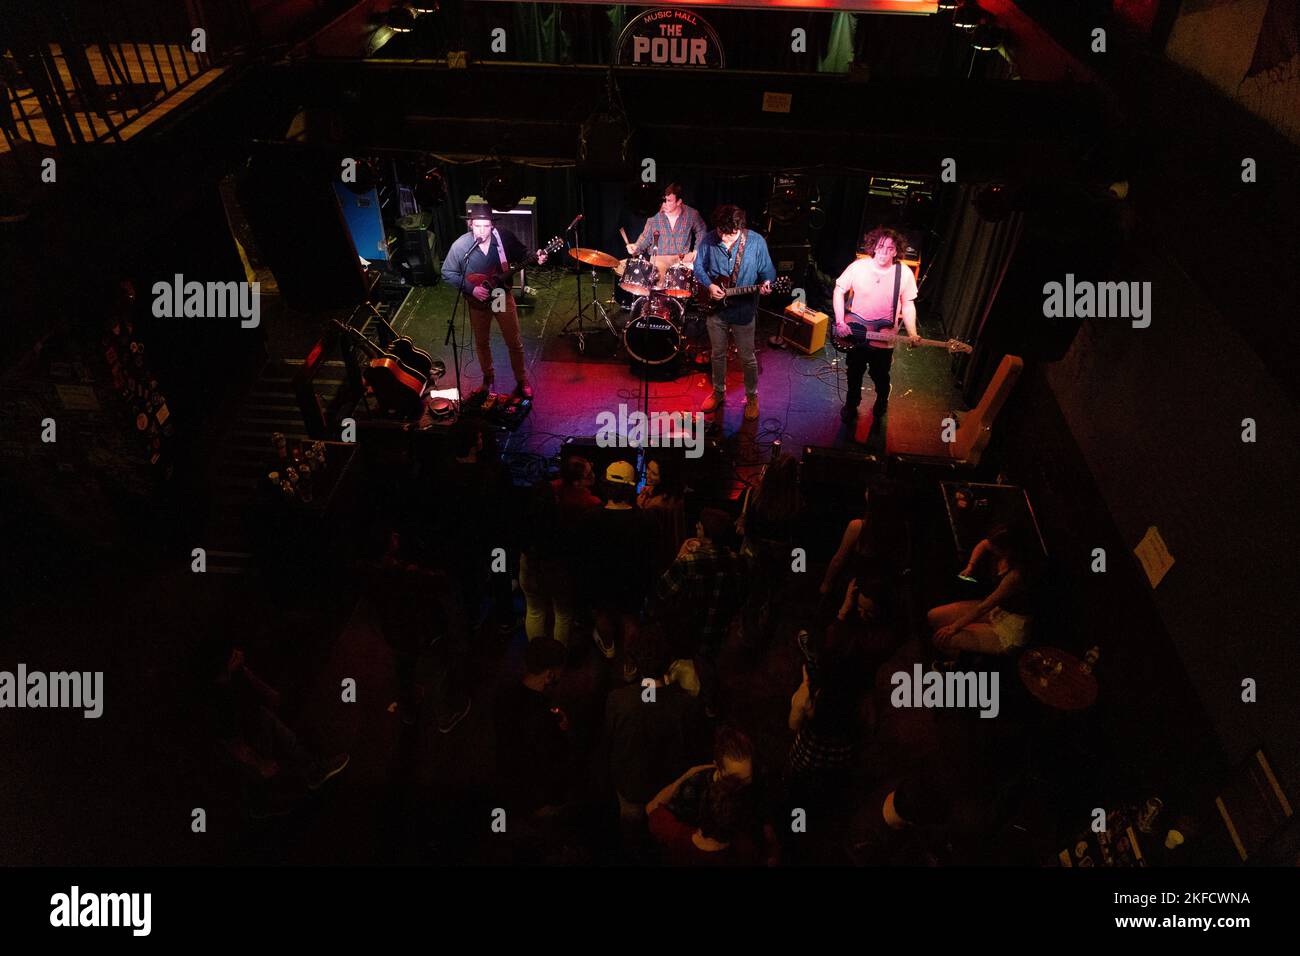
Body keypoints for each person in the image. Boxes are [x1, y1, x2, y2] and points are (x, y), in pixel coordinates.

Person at [205, 642, 349, 816]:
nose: (239, 652)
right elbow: (233, 744)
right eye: (233, 655)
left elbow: (262, 688)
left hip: (254, 720)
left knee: (279, 730)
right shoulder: (218, 703)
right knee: (255, 770)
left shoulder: (236, 673)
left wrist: (259, 684)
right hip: (241, 740)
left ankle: (312, 772)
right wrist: (259, 763)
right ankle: (259, 804)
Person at [441, 201, 549, 399]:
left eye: (486, 226)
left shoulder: (504, 238)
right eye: (477, 225)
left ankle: (521, 380)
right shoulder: (461, 246)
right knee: (482, 342)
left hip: (499, 296)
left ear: (492, 225)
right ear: (470, 225)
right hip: (477, 301)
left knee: (513, 341)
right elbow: (447, 272)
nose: (481, 231)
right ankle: (488, 379)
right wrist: (471, 290)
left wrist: (537, 257)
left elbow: (524, 254)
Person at [600, 626, 704, 828]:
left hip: (630, 789)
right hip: (667, 793)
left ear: (635, 663)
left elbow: (608, 743)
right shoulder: (687, 706)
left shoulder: (618, 700)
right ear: (670, 663)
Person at [652, 507, 746, 715]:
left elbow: (662, 590)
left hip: (688, 626)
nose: (696, 527)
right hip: (718, 627)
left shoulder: (689, 561)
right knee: (708, 662)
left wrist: (681, 554)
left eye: (700, 526)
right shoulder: (738, 561)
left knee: (690, 663)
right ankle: (709, 704)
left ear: (707, 533)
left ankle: (694, 705)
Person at [692, 205, 777, 421]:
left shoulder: (756, 241)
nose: (724, 239)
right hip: (716, 311)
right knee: (717, 354)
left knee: (747, 357)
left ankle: (752, 398)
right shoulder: (710, 239)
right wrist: (710, 286)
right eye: (721, 232)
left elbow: (768, 271)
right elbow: (698, 267)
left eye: (729, 235)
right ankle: (719, 392)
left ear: (740, 228)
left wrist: (767, 283)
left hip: (743, 310)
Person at [832, 226, 921, 423]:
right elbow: (839, 291)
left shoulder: (903, 273)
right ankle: (851, 404)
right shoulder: (858, 267)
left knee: (880, 374)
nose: (884, 252)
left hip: (884, 338)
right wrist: (840, 321)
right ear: (873, 247)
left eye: (890, 248)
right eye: (881, 247)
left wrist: (913, 332)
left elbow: (908, 304)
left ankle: (882, 400)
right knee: (854, 372)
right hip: (855, 332)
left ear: (896, 251)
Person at [576, 460, 660, 660]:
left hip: (601, 579)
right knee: (630, 618)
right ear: (632, 487)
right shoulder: (645, 519)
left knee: (602, 614)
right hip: (633, 580)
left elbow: (584, 554)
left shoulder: (590, 518)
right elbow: (650, 554)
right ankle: (630, 663)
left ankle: (608, 647)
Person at [927, 526, 1034, 657]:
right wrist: (970, 566)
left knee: (942, 638)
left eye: (994, 547)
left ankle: (958, 665)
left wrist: (954, 627)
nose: (990, 547)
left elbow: (984, 607)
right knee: (933, 616)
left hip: (1010, 627)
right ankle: (961, 657)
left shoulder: (1016, 574)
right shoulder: (1000, 549)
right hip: (997, 611)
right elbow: (983, 544)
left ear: (1008, 549)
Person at [493, 637, 571, 815]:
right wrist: (563, 731)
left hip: (507, 786)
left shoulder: (503, 696)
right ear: (550, 674)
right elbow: (552, 763)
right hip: (535, 799)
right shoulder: (543, 719)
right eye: (560, 672)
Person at [626, 182, 707, 263]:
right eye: (664, 200)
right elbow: (645, 238)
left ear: (679, 202)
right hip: (660, 259)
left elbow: (702, 230)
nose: (664, 204)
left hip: (682, 259)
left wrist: (697, 250)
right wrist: (636, 247)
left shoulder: (691, 214)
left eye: (669, 200)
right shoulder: (654, 214)